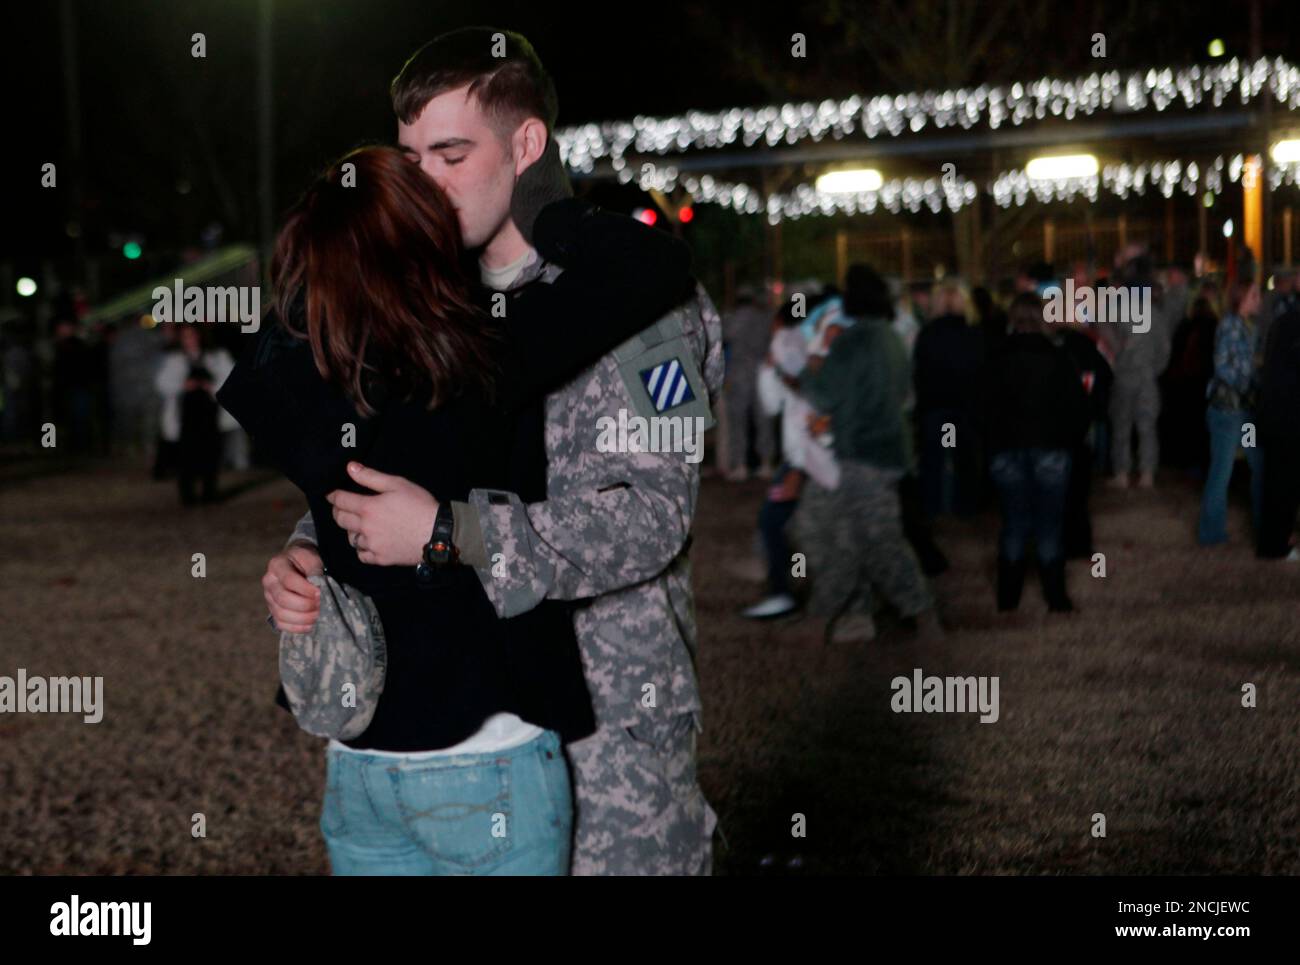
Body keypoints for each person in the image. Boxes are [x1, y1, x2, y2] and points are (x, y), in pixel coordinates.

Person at [262, 28, 722, 875]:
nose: (423, 185)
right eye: (410, 160)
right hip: (458, 726)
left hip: (610, 726)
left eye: (451, 155)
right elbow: (382, 462)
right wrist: (308, 547)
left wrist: (450, 533)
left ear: (526, 144)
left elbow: (655, 519)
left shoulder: (642, 308)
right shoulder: (424, 294)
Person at [792, 263, 940, 644]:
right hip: (889, 452)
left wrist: (809, 370)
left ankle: (913, 614)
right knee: (856, 535)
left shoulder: (851, 342)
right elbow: (906, 395)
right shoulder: (892, 339)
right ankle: (849, 614)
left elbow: (823, 394)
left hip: (859, 454)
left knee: (867, 539)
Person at [985, 292, 1090, 612]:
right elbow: (1078, 408)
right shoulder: (1059, 359)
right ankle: (1056, 598)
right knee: (1049, 525)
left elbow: (980, 407)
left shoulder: (995, 357)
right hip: (1051, 447)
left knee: (1014, 522)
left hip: (1006, 448)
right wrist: (1070, 441)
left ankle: (1008, 598)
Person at [1197, 281, 1264, 546]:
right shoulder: (1233, 326)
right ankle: (1212, 531)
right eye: (1254, 295)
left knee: (1246, 466)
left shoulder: (1244, 325)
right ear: (1241, 299)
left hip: (1238, 410)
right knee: (1225, 470)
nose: (1259, 299)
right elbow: (1224, 367)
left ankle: (1217, 529)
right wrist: (1252, 377)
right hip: (1230, 411)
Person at [912, 277, 986, 517]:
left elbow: (920, 372)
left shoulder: (927, 335)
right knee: (964, 461)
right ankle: (964, 508)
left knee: (936, 461)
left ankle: (935, 509)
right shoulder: (973, 334)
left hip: (936, 408)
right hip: (964, 409)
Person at [154, 325, 234, 505]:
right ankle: (187, 495)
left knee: (210, 454)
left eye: (193, 335)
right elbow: (162, 383)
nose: (190, 340)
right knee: (186, 457)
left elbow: (229, 378)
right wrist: (183, 385)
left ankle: (209, 492)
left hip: (209, 414)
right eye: (186, 336)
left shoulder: (216, 356)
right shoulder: (173, 359)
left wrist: (210, 387)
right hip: (186, 416)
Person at [1256, 298, 1300, 560]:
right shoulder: (1293, 327)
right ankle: (1276, 545)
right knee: (1284, 486)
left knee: (1276, 483)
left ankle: (1276, 539)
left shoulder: (1283, 322)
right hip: (1289, 419)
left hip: (1274, 415)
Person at [720, 285, 777, 481]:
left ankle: (741, 465)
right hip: (761, 371)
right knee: (763, 419)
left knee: (738, 420)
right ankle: (766, 463)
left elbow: (724, 336)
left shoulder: (733, 318)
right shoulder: (764, 318)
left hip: (738, 372)